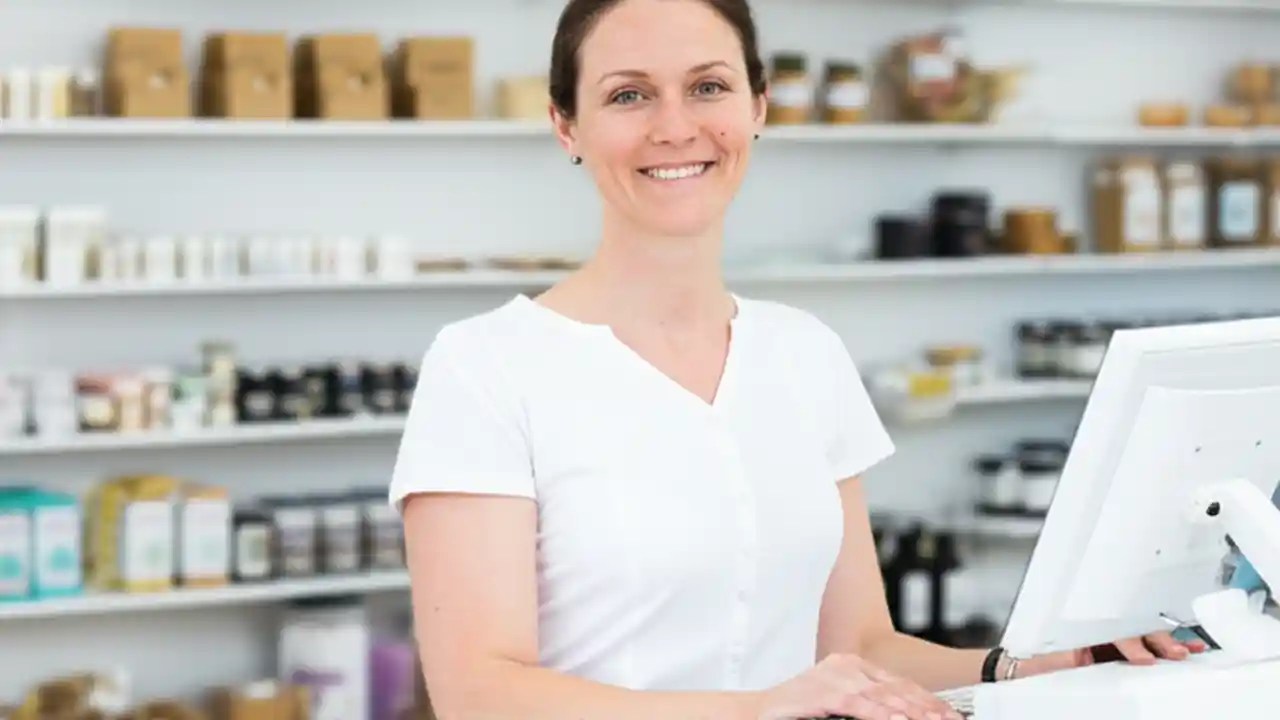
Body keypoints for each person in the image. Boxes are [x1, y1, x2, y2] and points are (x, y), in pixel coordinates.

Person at [387, 0, 1206, 717]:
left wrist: (1030, 665)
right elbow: (480, 695)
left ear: (758, 109)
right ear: (566, 125)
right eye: (629, 94)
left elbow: (858, 645)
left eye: (708, 86)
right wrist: (757, 711)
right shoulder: (487, 366)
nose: (675, 125)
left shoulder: (804, 351)